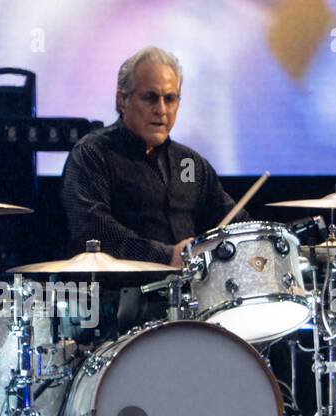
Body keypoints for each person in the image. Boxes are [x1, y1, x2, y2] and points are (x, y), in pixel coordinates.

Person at [60, 46, 246, 266]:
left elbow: (236, 221)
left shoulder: (189, 163)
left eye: (170, 99)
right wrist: (165, 256)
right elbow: (92, 228)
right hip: (122, 295)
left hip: (191, 294)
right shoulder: (93, 154)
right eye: (150, 98)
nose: (162, 109)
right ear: (122, 100)